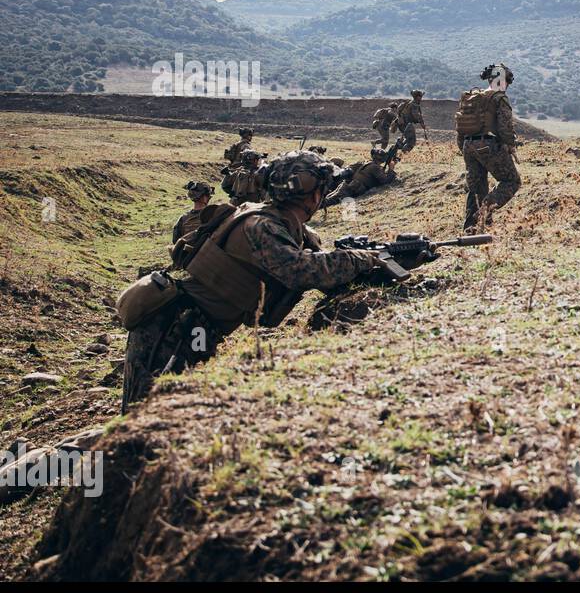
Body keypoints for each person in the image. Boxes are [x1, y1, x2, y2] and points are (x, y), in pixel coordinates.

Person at [121, 152, 389, 407]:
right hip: (172, 327)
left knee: (169, 414)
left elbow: (320, 266)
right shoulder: (261, 225)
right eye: (322, 187)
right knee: (145, 416)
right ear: (311, 192)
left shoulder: (283, 224)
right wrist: (359, 259)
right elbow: (301, 271)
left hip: (194, 327)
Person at [456, 64, 522, 231]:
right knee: (511, 181)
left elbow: (461, 126)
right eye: (507, 81)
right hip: (489, 145)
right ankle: (483, 213)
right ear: (503, 80)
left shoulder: (473, 97)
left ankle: (471, 228)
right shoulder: (499, 98)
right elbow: (505, 126)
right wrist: (511, 145)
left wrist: (464, 148)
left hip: (467, 145)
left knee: (476, 188)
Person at [322, 147, 397, 207]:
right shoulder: (375, 167)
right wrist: (391, 169)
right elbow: (385, 181)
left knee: (326, 199)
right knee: (328, 202)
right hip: (352, 188)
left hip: (347, 185)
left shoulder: (368, 163)